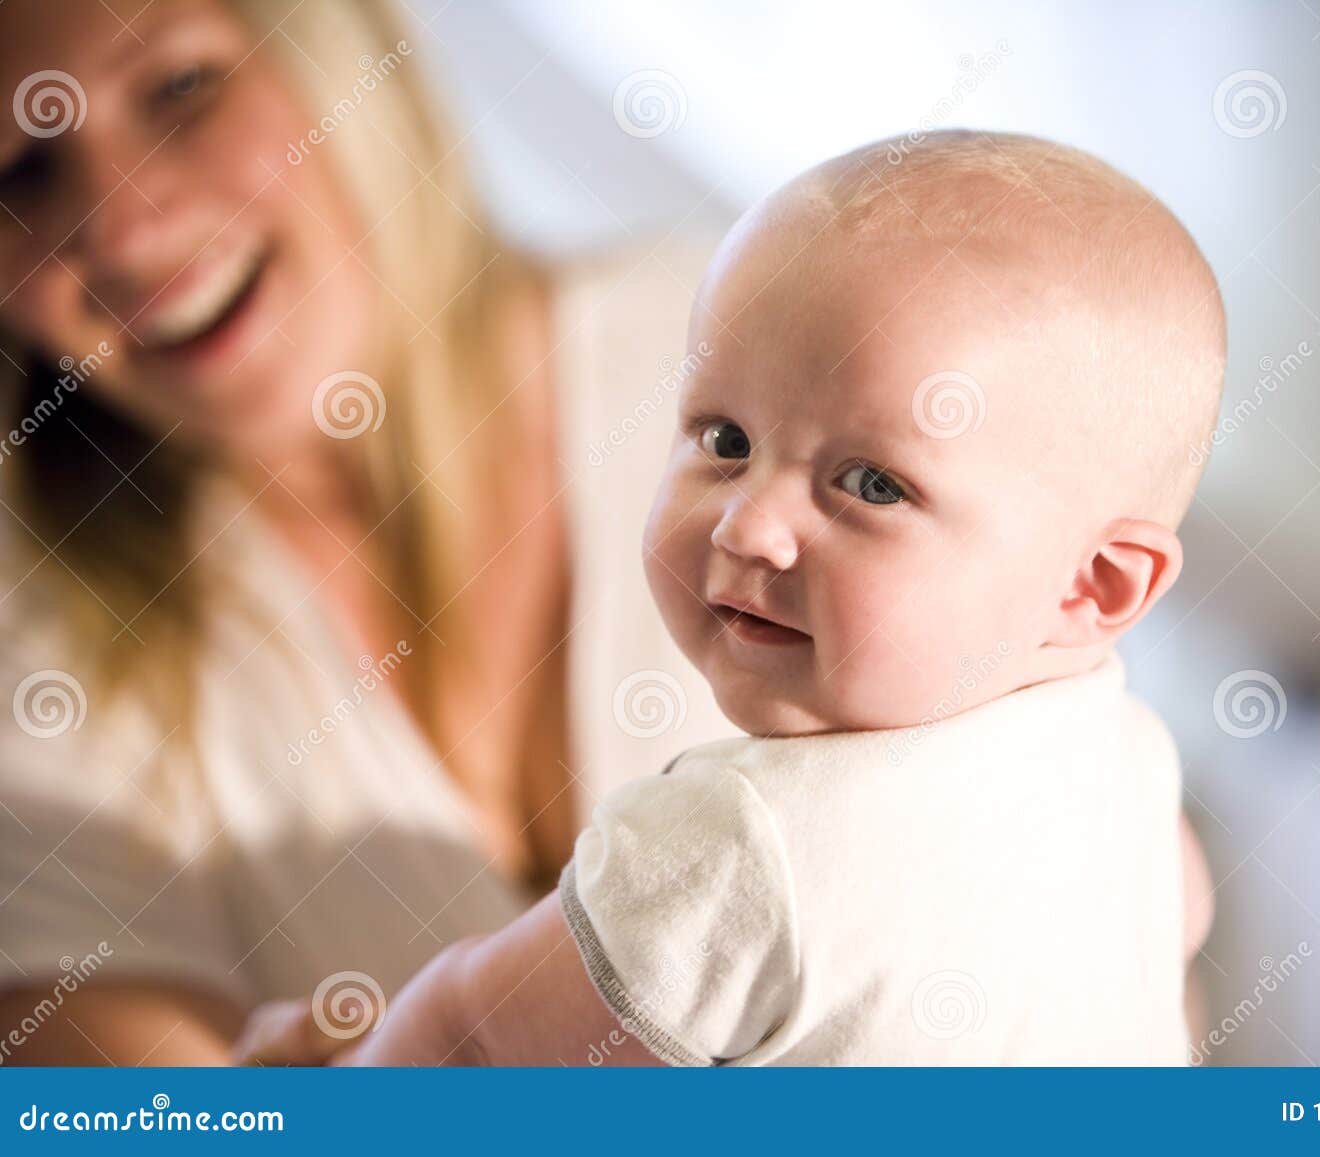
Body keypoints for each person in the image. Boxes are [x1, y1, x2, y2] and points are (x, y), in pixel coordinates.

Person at [0, 0, 1210, 1065]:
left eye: (179, 86)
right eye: (18, 169)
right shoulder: (32, 634)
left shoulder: (770, 332)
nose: (122, 224)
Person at [236, 130, 1223, 1065]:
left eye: (871, 483)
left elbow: (476, 1045)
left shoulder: (737, 841)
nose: (744, 526)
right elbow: (1177, 917)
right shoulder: (1128, 758)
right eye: (723, 439)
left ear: (1092, 585)